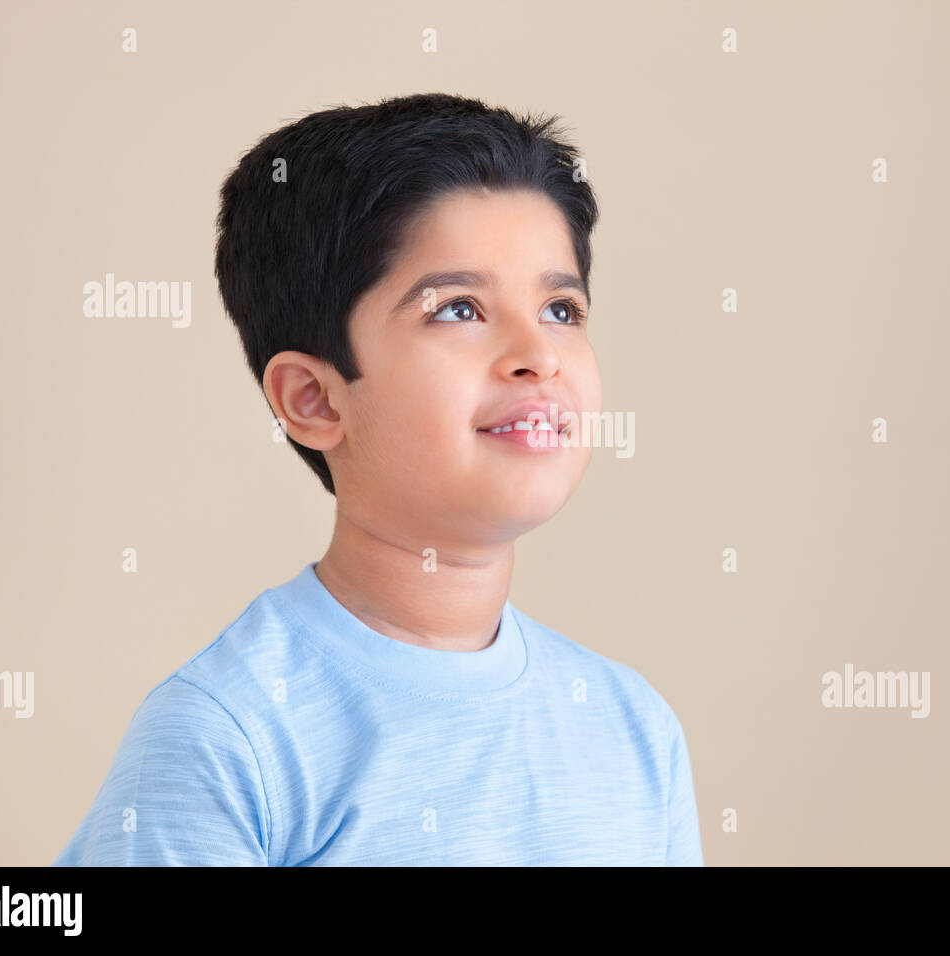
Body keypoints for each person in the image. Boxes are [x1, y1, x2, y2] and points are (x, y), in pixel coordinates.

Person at [52, 93, 703, 865]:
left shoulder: (633, 729)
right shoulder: (228, 734)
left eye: (561, 309)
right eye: (459, 309)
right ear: (316, 400)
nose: (539, 354)